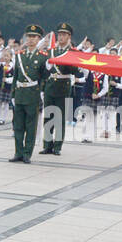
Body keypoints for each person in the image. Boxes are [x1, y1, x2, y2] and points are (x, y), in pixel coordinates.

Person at [9, 25, 47, 163]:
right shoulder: (19, 55)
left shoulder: (43, 57)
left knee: (31, 126)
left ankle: (27, 153)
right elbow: (15, 76)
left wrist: (42, 93)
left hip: (32, 94)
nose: (31, 39)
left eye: (34, 37)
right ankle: (18, 152)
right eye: (29, 36)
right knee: (18, 125)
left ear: (38, 39)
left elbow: (45, 77)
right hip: (19, 93)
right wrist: (12, 94)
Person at [41, 23, 77, 155]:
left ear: (69, 36)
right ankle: (47, 145)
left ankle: (57, 146)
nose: (60, 37)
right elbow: (45, 71)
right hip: (50, 85)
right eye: (59, 34)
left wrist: (69, 62)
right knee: (48, 116)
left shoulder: (72, 52)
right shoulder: (51, 51)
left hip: (63, 85)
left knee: (59, 117)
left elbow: (75, 71)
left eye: (63, 35)